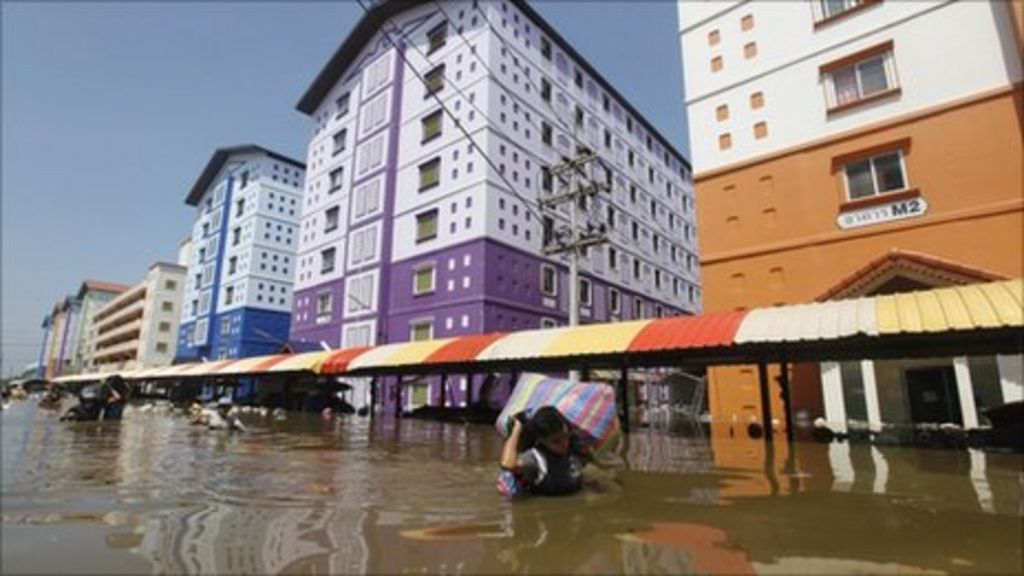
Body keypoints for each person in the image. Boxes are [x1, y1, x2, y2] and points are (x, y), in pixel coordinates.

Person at [499, 406, 590, 497]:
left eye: (565, 436)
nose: (564, 444)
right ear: (541, 440)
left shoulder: (576, 446)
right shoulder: (535, 460)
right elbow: (507, 464)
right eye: (556, 441)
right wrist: (516, 429)